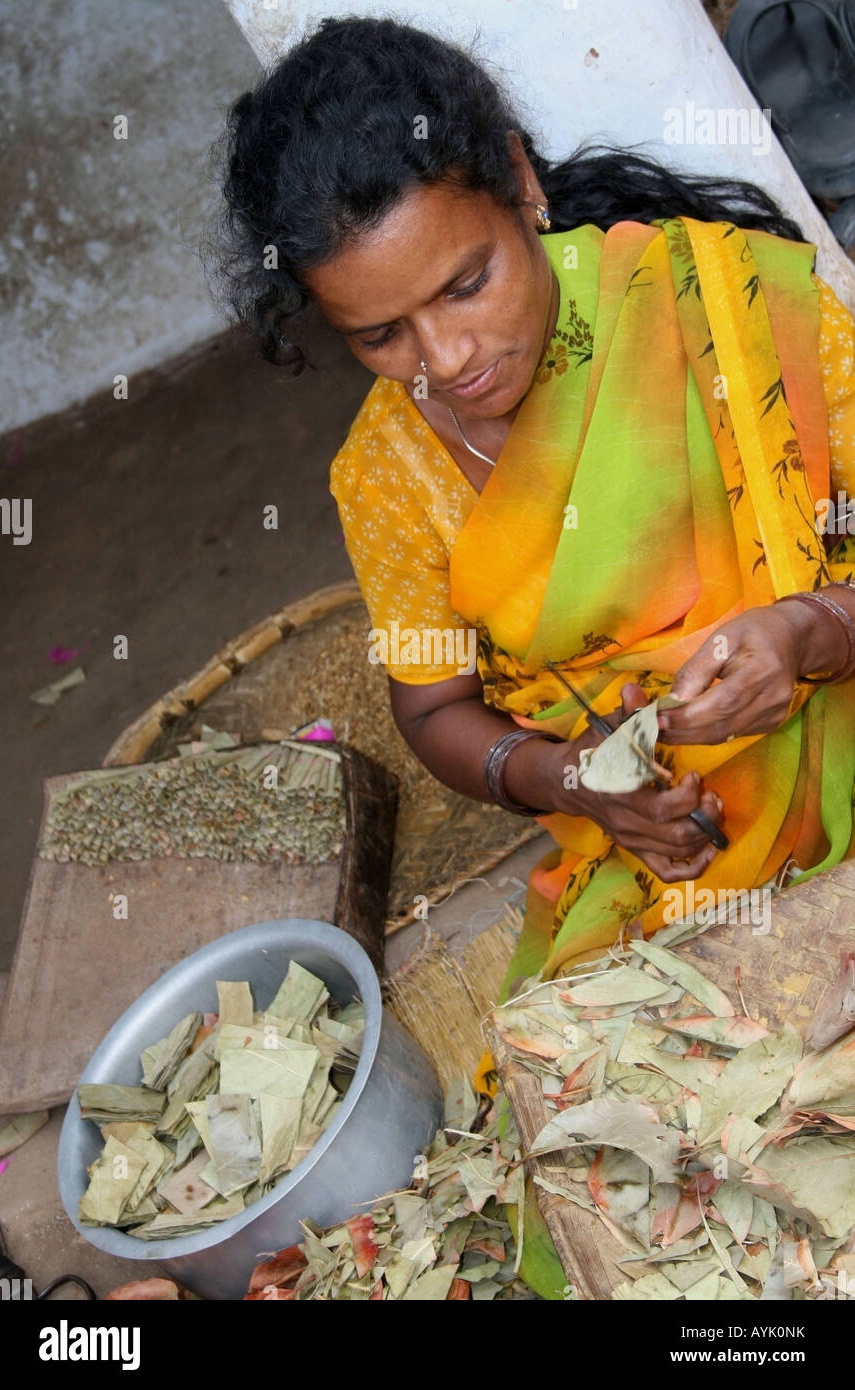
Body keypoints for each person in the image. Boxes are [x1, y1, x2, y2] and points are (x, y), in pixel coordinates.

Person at [211, 15, 855, 1298]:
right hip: (660, 848)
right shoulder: (386, 474)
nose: (446, 363)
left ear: (518, 182)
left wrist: (811, 630)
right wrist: (575, 785)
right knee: (644, 1165)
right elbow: (432, 700)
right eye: (379, 338)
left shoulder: (722, 301)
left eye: (463, 284)